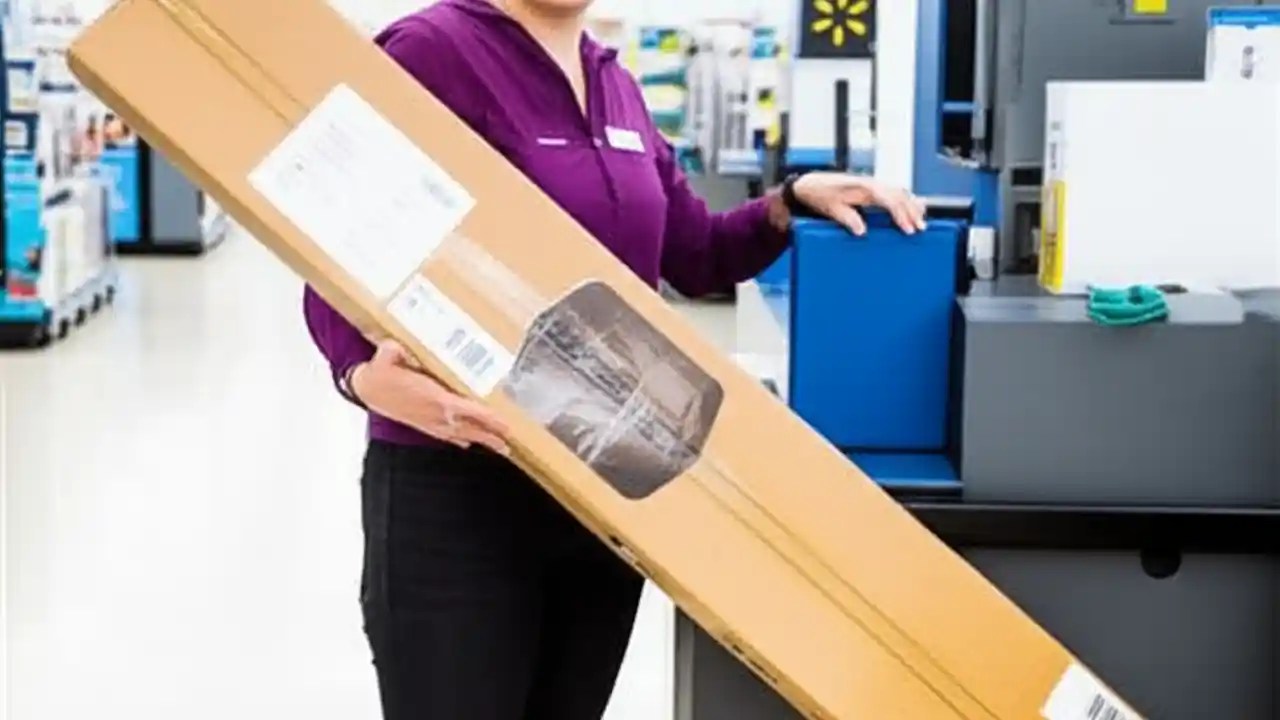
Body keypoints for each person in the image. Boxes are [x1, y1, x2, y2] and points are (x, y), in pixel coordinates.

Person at [302, 0, 927, 718]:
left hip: (602, 489)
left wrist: (789, 203)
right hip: (460, 489)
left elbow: (695, 253)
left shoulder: (615, 85)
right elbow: (329, 227)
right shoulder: (434, 49)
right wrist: (358, 373)